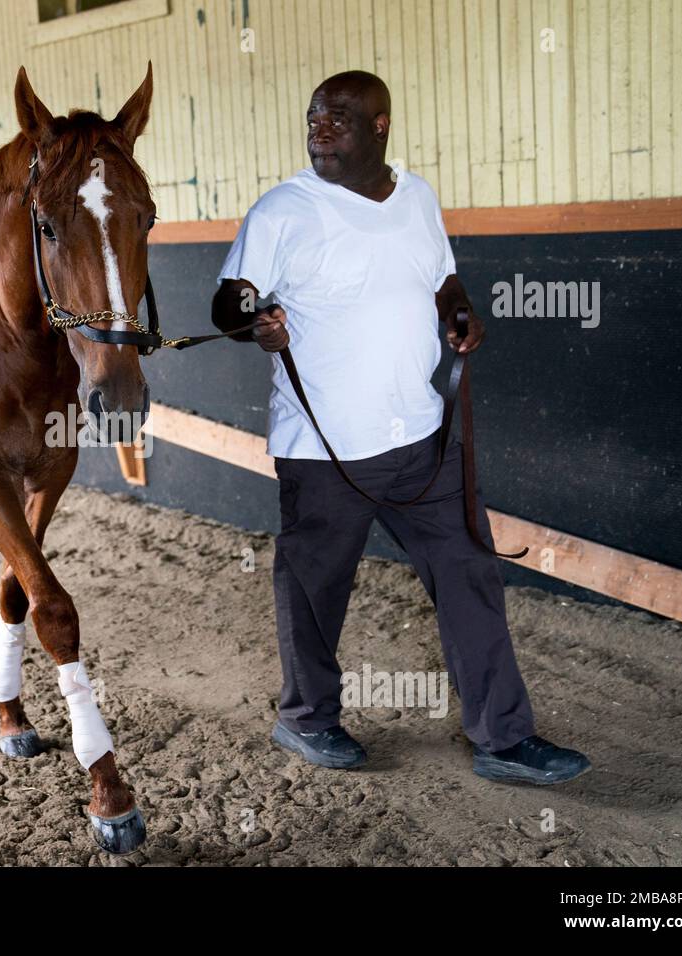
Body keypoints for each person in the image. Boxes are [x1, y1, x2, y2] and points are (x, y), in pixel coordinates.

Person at [212, 70, 590, 785]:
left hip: (423, 440)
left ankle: (504, 739)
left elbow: (441, 280)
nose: (320, 126)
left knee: (470, 575)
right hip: (325, 452)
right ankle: (307, 720)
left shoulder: (416, 198)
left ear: (380, 127)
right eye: (314, 115)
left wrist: (463, 312)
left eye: (339, 118)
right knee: (315, 590)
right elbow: (230, 301)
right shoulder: (284, 210)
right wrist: (251, 319)